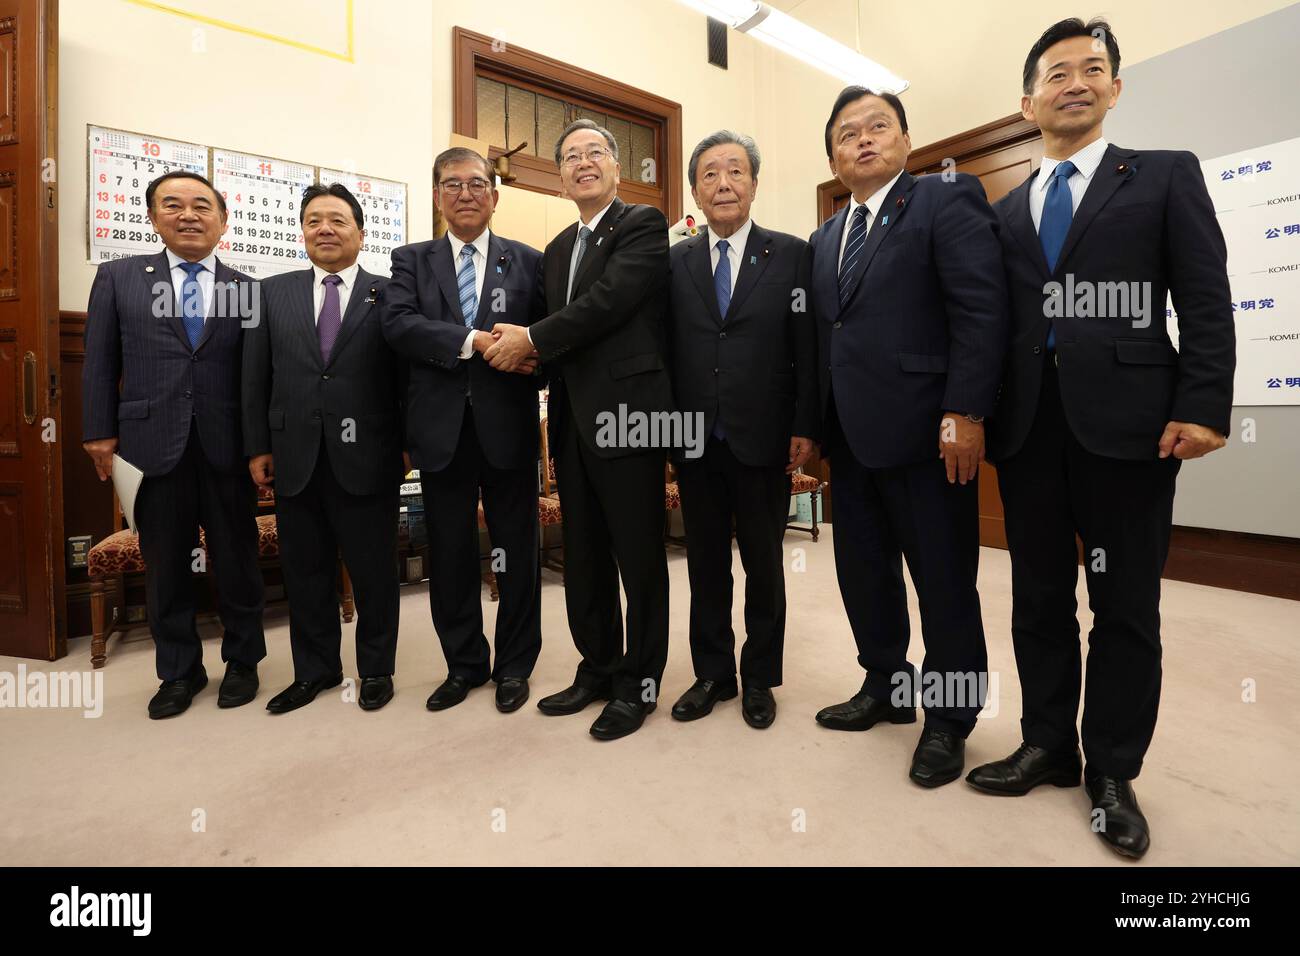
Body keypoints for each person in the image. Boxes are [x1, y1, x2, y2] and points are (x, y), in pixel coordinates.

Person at [968, 18, 1236, 860]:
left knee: (1125, 605)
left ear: (1116, 88)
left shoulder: (1162, 175)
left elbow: (1204, 295)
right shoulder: (1003, 213)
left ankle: (1113, 771)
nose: (1075, 82)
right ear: (1028, 103)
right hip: (1027, 430)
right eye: (1056, 73)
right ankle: (1047, 744)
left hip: (1130, 425)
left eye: (1092, 69)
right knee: (1039, 598)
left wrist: (1205, 403)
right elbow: (991, 324)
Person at [809, 88, 1008, 786]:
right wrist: (812, 429)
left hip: (930, 435)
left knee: (944, 583)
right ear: (833, 157)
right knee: (864, 574)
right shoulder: (826, 237)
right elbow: (823, 340)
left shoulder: (944, 199)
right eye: (847, 133)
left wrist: (966, 411)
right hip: (850, 439)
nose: (863, 139)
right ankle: (886, 685)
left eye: (878, 127)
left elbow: (980, 310)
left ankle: (950, 719)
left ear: (905, 140)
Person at [484, 119, 674, 741]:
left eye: (595, 152)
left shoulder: (643, 225)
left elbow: (610, 302)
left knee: (638, 556)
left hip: (630, 416)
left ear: (617, 167)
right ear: (560, 177)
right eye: (570, 156)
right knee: (584, 555)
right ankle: (598, 668)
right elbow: (554, 331)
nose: (583, 162)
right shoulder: (558, 247)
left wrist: (531, 340)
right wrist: (519, 352)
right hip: (570, 418)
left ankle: (638, 683)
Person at [82, 171, 265, 718]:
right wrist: (98, 432)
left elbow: (256, 376)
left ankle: (243, 661)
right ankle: (179, 672)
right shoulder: (118, 277)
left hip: (227, 445)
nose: (188, 215)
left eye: (202, 206)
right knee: (164, 566)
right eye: (173, 205)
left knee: (236, 559)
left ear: (223, 221)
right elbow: (99, 362)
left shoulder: (246, 288)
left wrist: (260, 444)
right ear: (153, 217)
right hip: (150, 442)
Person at [380, 148, 544, 714]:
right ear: (436, 196)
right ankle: (464, 664)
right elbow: (398, 325)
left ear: (495, 196)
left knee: (516, 552)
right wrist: (470, 340)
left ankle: (515, 665)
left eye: (477, 184)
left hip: (509, 429)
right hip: (440, 431)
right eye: (453, 184)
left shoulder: (529, 261)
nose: (466, 194)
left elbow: (547, 338)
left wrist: (532, 356)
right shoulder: (411, 260)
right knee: (449, 553)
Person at [666, 131, 817, 729]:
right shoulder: (673, 261)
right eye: (709, 174)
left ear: (754, 183)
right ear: (695, 191)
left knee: (764, 564)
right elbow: (666, 351)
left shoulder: (792, 254)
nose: (723, 183)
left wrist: (805, 423)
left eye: (735, 171)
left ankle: (759, 677)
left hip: (765, 435)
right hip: (694, 437)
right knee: (705, 564)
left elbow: (806, 347)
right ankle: (712, 673)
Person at [242, 183, 403, 714]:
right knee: (305, 572)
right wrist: (257, 447)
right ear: (302, 232)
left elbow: (407, 379)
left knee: (374, 571)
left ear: (361, 231)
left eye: (337, 220)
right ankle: (315, 670)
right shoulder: (271, 293)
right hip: (295, 456)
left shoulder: (391, 292)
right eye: (314, 221)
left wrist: (408, 447)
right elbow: (255, 377)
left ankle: (376, 669)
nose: (325, 229)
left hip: (370, 455)